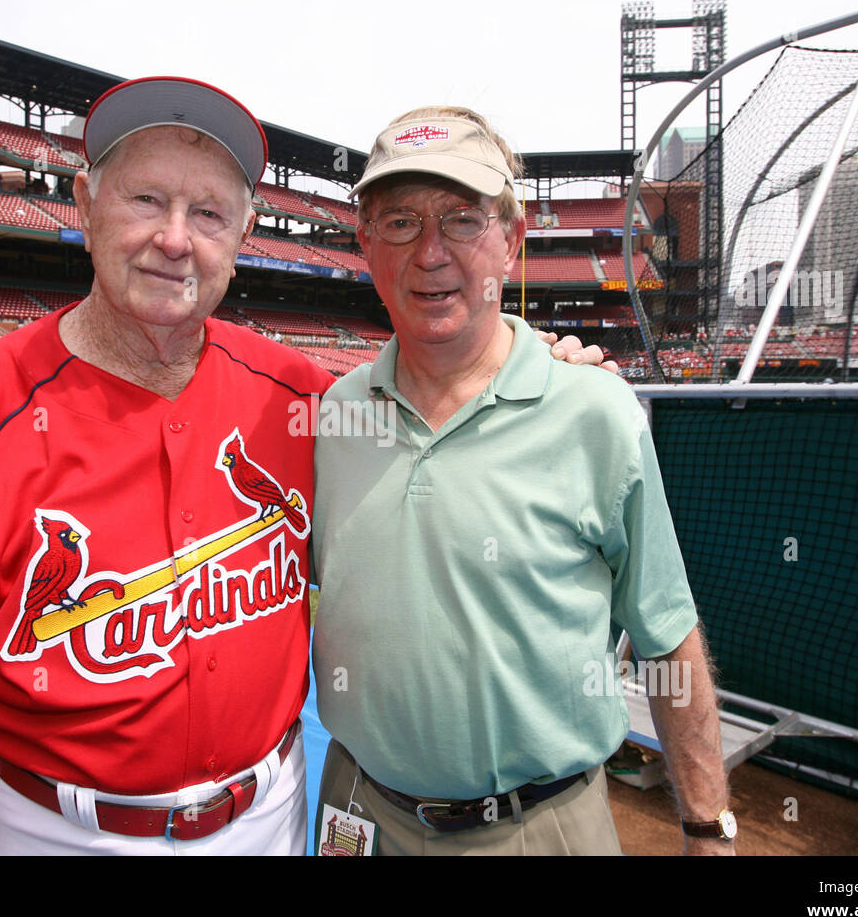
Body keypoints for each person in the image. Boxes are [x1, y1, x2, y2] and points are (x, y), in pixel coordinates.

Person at [0, 78, 611, 857]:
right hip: (54, 831)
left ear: (243, 235)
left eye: (207, 213)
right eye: (145, 201)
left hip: (267, 818)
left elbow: (447, 416)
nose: (175, 238)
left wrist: (544, 365)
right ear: (86, 199)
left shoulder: (305, 401)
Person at [310, 106, 734, 856]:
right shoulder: (333, 418)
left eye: (463, 219)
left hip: (537, 830)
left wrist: (707, 829)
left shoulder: (595, 413)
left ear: (511, 241)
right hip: (357, 812)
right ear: (365, 247)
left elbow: (667, 635)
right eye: (400, 222)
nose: (431, 253)